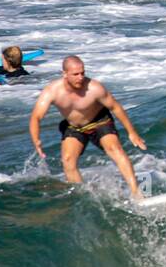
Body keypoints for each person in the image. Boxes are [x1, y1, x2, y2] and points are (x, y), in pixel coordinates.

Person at [28, 56, 147, 199]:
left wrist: (131, 132)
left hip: (99, 121)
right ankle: (82, 195)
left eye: (82, 73)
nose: (81, 77)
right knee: (67, 160)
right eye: (75, 74)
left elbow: (115, 107)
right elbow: (36, 117)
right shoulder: (53, 91)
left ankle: (136, 192)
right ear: (64, 73)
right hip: (74, 127)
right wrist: (36, 139)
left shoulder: (94, 88)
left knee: (114, 149)